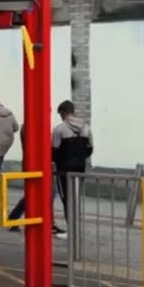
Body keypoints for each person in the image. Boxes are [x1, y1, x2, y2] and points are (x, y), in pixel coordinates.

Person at [51, 99, 93, 235]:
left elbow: (54, 150)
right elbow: (90, 148)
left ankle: (71, 230)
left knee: (66, 199)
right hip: (80, 168)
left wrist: (58, 161)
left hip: (63, 170)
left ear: (63, 113)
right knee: (75, 198)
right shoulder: (86, 128)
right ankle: (75, 228)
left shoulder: (59, 129)